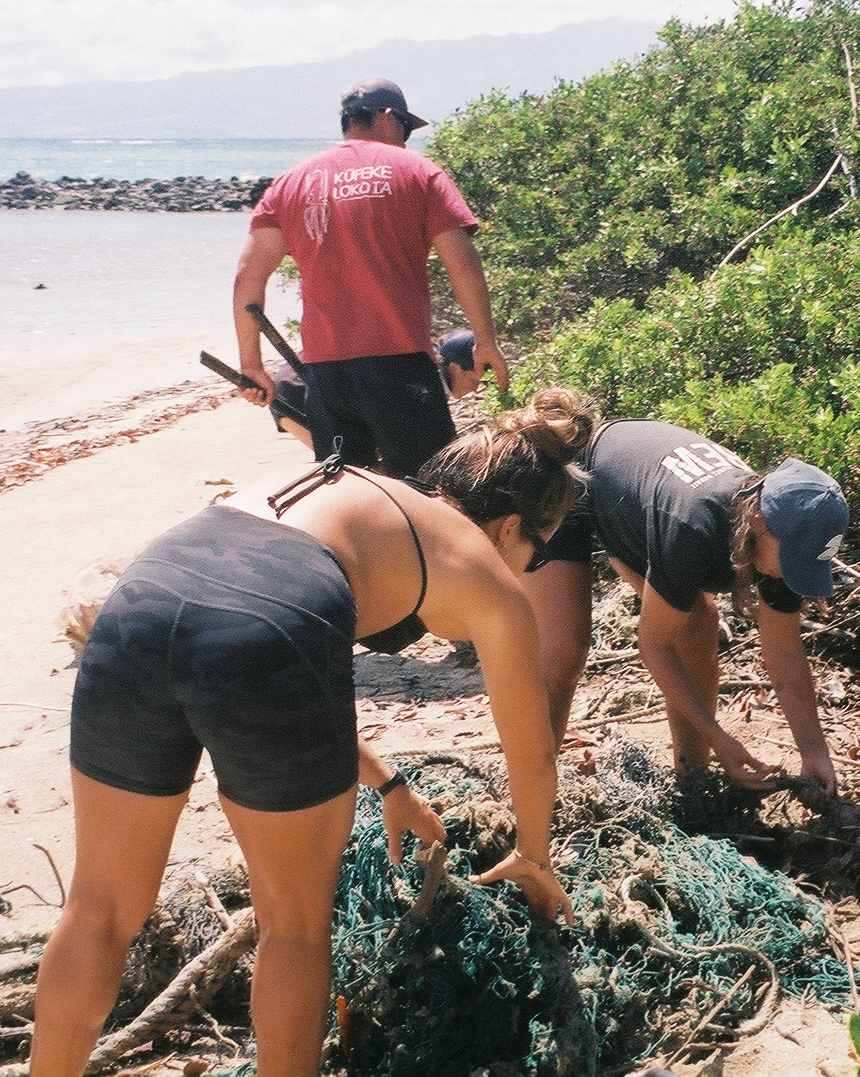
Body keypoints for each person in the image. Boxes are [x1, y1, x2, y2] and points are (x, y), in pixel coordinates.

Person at [29, 389, 594, 1077]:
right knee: (292, 926)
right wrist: (533, 856)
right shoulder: (482, 569)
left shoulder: (359, 494)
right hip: (267, 625)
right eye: (538, 555)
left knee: (99, 909)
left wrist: (388, 783)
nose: (529, 572)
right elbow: (532, 758)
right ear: (508, 528)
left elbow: (270, 645)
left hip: (143, 599)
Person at [522, 419, 849, 792]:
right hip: (569, 471)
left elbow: (784, 650)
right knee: (564, 647)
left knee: (697, 626)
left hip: (638, 496)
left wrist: (814, 751)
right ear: (759, 522)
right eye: (794, 560)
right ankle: (532, 785)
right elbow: (654, 646)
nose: (794, 573)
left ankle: (692, 779)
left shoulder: (780, 536)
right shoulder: (694, 526)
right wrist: (718, 736)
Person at [232, 78, 510, 478]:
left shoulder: (291, 182)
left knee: (348, 495)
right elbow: (462, 264)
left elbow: (248, 276)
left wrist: (251, 363)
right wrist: (485, 339)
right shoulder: (418, 171)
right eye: (406, 127)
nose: (406, 140)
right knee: (430, 492)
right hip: (399, 366)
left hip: (325, 376)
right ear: (386, 117)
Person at [267, 328, 485, 449]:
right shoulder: (421, 385)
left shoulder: (424, 372)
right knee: (351, 471)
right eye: (474, 380)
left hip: (319, 382)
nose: (475, 390)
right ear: (455, 367)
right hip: (297, 391)